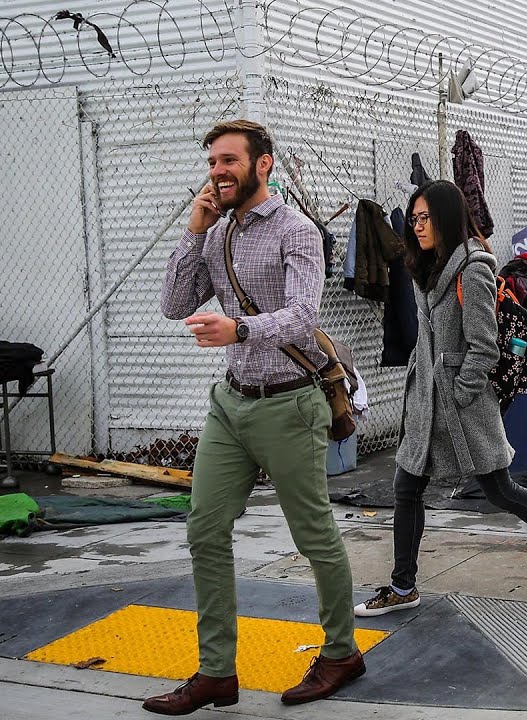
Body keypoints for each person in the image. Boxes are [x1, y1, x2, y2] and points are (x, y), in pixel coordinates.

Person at [146, 120, 364, 715]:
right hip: (231, 403)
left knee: (313, 534)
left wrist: (239, 329)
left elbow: (302, 315)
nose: (217, 172)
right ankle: (216, 672)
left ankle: (341, 653)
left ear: (262, 164)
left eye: (229, 161)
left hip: (290, 403)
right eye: (212, 162)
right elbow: (173, 304)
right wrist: (194, 230)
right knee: (204, 529)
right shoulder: (215, 234)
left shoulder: (297, 231)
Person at [353, 180, 527, 618]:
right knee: (406, 486)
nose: (417, 226)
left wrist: (460, 391)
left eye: (426, 218)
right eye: (414, 219)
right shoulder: (425, 268)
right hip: (427, 400)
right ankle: (403, 585)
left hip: (464, 404)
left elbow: (484, 347)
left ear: (446, 219)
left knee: (500, 490)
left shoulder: (473, 270)